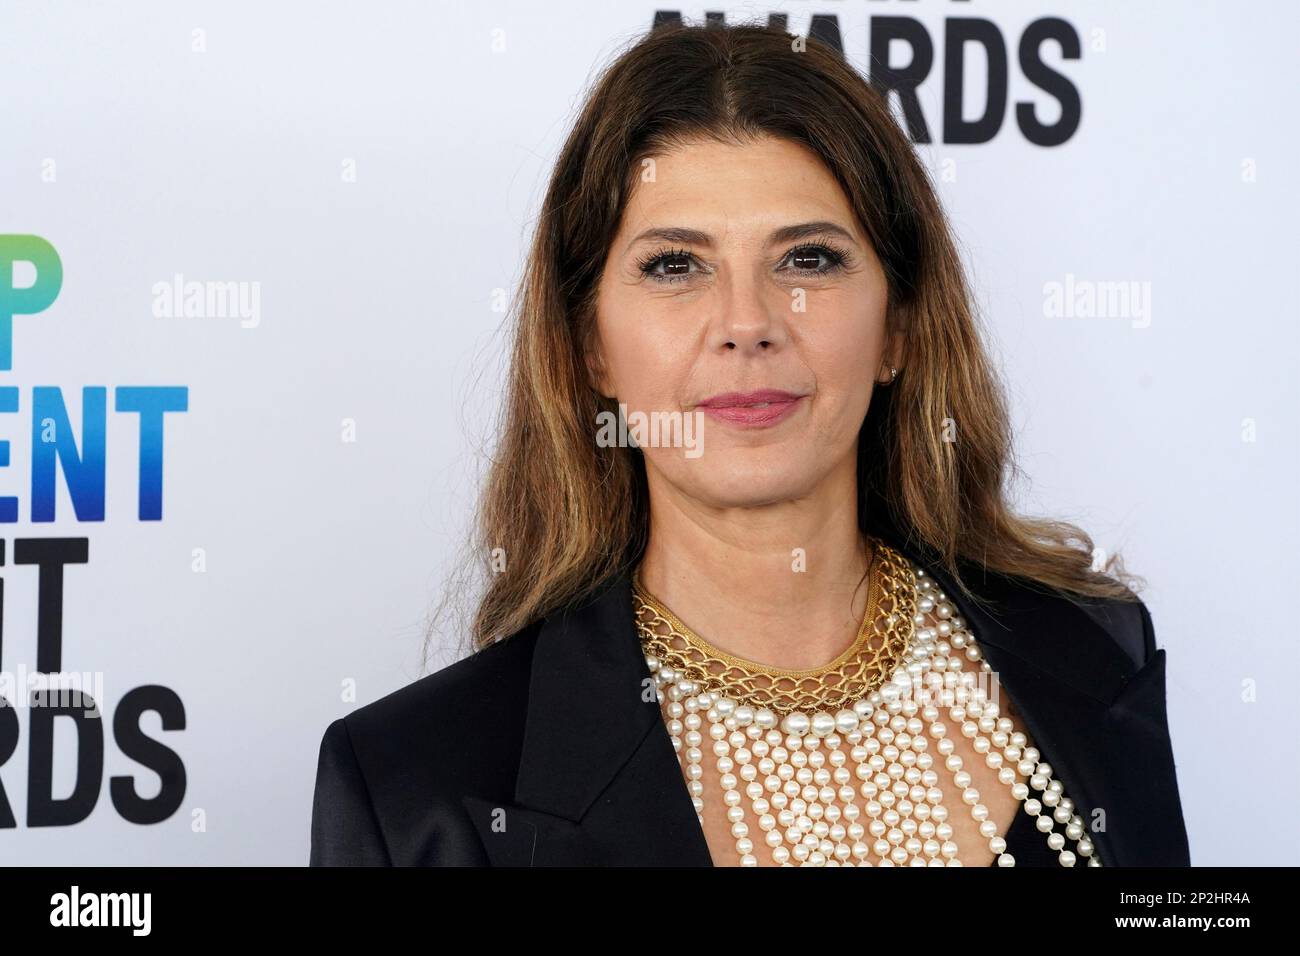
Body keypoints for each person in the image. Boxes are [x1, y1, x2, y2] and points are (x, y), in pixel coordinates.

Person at [309, 21, 1190, 867]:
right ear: (588, 345)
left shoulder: (1093, 654)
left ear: (900, 328)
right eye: (674, 265)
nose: (748, 324)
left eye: (807, 260)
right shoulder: (418, 791)